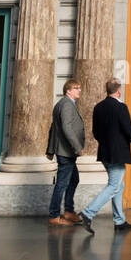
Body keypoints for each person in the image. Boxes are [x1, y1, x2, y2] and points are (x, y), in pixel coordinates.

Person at [79, 79, 131, 234]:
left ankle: (119, 220)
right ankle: (88, 213)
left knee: (118, 185)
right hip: (117, 153)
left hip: (105, 152)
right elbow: (128, 129)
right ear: (119, 91)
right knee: (114, 186)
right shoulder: (121, 107)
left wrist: (106, 143)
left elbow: (95, 132)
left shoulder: (98, 107)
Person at [47, 77, 85, 226]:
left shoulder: (62, 104)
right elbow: (66, 128)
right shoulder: (67, 105)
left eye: (79, 87)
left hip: (64, 151)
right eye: (76, 88)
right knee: (62, 183)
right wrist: (77, 147)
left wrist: (50, 150)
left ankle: (68, 211)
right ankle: (54, 215)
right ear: (68, 91)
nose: (79, 90)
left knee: (74, 179)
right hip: (66, 151)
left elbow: (53, 129)